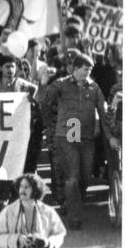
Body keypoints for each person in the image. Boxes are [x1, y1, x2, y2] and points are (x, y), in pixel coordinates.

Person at [40, 49, 115, 229]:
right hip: (66, 138)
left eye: (89, 70)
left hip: (87, 139)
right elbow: (43, 101)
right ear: (75, 68)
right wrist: (42, 84)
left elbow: (103, 113)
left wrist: (110, 136)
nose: (87, 74)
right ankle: (75, 217)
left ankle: (72, 202)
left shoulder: (94, 87)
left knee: (85, 178)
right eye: (84, 70)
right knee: (72, 177)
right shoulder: (61, 84)